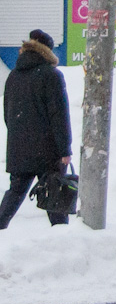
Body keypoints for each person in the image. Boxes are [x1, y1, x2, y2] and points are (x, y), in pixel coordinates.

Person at [1, 30, 73, 228]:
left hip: (19, 148)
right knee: (54, 192)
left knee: (15, 192)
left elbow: (8, 114)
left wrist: (19, 136)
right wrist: (65, 150)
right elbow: (59, 116)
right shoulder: (52, 76)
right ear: (47, 51)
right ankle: (61, 235)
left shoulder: (13, 76)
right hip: (47, 150)